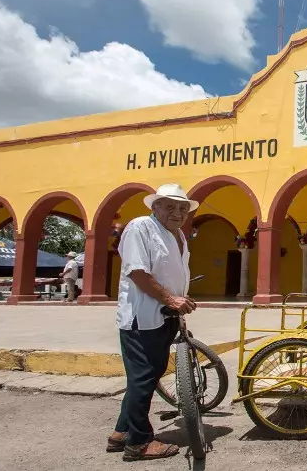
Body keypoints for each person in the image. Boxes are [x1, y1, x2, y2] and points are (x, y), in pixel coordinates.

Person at [106, 183, 198, 462]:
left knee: (147, 376)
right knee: (143, 377)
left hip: (165, 315)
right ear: (154, 206)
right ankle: (139, 442)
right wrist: (171, 299)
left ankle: (122, 432)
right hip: (142, 317)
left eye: (182, 208)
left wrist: (178, 299)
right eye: (169, 206)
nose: (177, 212)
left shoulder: (178, 234)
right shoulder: (140, 227)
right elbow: (136, 271)